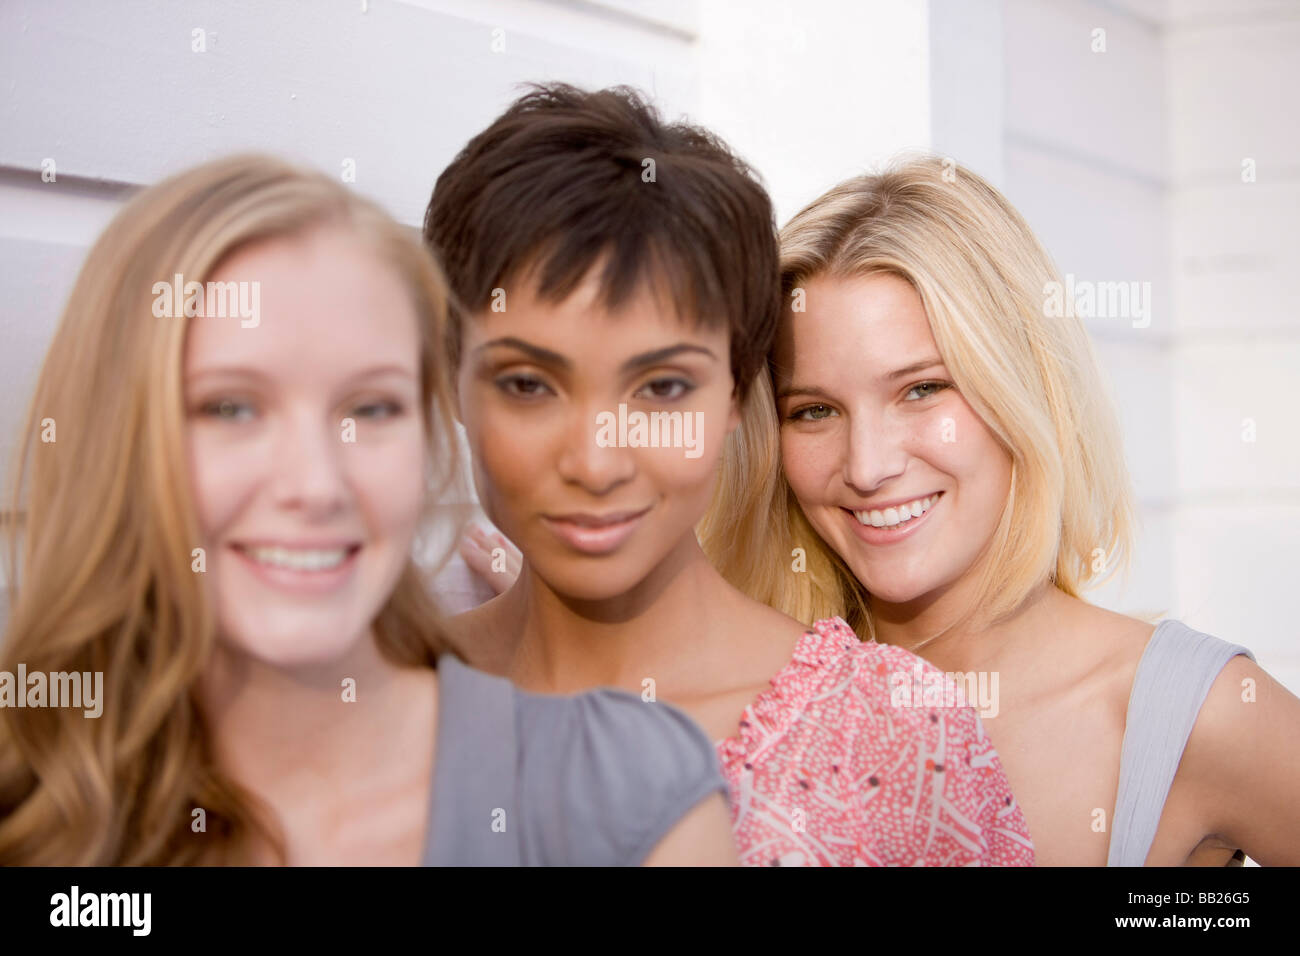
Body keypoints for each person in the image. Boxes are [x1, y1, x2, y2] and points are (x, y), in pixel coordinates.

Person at [0, 154, 736, 866]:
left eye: (371, 407)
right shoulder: (28, 803)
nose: (317, 484)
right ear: (114, 440)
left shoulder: (620, 790)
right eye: (231, 408)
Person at [427, 84, 1034, 866]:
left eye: (662, 389)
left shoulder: (897, 740)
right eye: (529, 386)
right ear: (449, 380)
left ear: (738, 396)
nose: (596, 461)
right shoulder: (356, 698)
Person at [704, 154, 1300, 865]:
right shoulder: (748, 696)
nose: (867, 466)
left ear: (1024, 386)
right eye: (815, 410)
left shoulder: (1196, 714)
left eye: (922, 390)